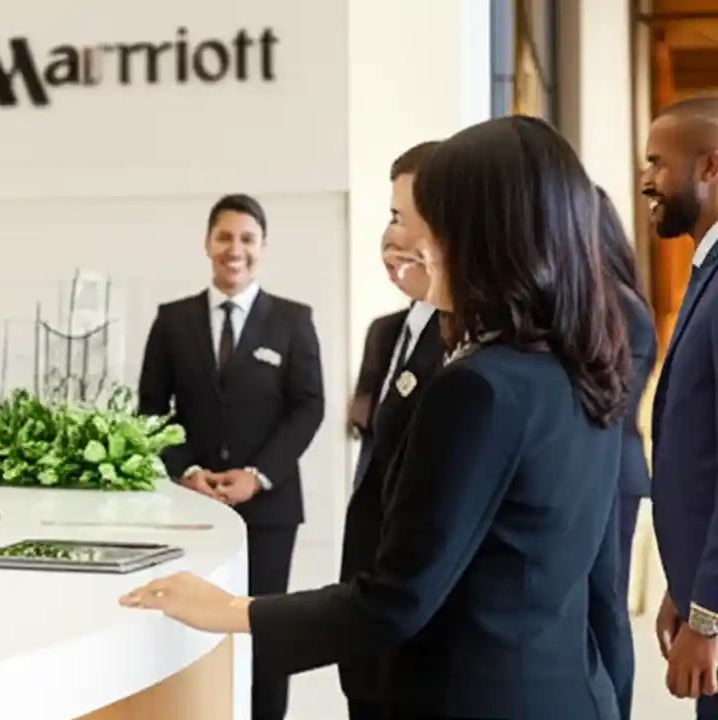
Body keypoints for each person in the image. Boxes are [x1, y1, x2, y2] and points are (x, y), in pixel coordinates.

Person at [122, 116, 634, 720]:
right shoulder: (583, 362)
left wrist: (229, 610)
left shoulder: (478, 389)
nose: (416, 244)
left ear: (481, 236)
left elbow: (397, 599)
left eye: (432, 222)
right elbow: (600, 585)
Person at [136, 193, 325, 720]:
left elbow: (308, 406)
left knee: (266, 628)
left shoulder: (292, 320)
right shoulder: (172, 320)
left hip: (269, 508)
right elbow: (151, 409)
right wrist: (189, 470)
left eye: (246, 239)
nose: (234, 249)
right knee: (186, 627)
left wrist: (258, 476)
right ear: (207, 243)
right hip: (190, 507)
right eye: (224, 237)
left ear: (263, 247)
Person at [341, 141, 445, 720]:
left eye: (401, 218)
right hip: (365, 599)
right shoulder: (387, 332)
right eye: (388, 218)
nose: (389, 238)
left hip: (412, 617)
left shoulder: (466, 349)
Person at [643, 95, 718, 715]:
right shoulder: (705, 268)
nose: (646, 181)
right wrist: (685, 582)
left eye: (657, 165)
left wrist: (709, 612)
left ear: (710, 167)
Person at [594, 186, 656, 607]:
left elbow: (609, 394)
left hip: (611, 469)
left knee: (604, 605)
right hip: (606, 466)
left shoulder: (618, 305)